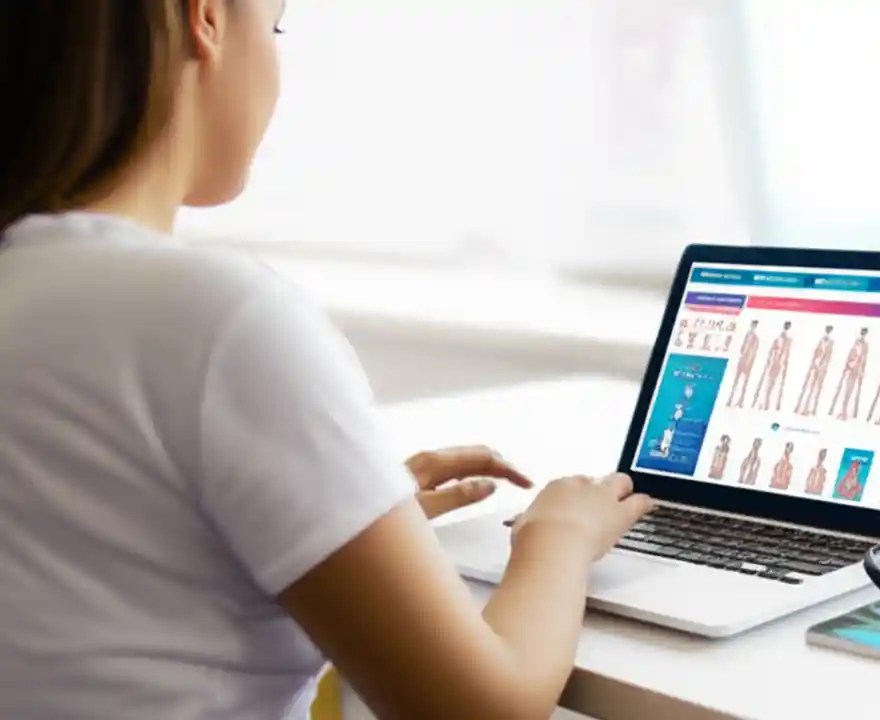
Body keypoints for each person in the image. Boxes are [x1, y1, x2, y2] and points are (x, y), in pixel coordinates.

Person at [0, 3, 653, 718]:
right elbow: (480, 710)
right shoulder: (215, 318)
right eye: (275, 26)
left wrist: (334, 516)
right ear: (205, 18)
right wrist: (559, 536)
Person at [829, 327, 870, 420]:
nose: (863, 335)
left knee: (851, 391)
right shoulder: (856, 344)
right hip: (850, 369)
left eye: (864, 333)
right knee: (845, 390)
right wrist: (849, 364)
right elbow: (851, 355)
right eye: (862, 333)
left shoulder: (865, 346)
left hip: (857, 370)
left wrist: (861, 370)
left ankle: (847, 412)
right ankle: (841, 411)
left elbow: (864, 359)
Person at [751, 320, 793, 411]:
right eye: (786, 326)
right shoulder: (777, 339)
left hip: (780, 364)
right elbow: (772, 351)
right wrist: (770, 360)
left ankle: (771, 405)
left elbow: (787, 354)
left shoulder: (789, 341)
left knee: (776, 384)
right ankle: (762, 404)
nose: (786, 328)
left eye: (788, 326)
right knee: (768, 383)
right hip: (774, 363)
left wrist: (784, 364)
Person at [794, 324, 834, 416]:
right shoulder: (820, 340)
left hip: (822, 367)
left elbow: (828, 356)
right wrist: (814, 362)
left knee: (816, 388)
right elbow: (815, 352)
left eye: (829, 330)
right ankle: (800, 407)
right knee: (808, 386)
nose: (828, 331)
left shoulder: (831, 342)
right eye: (827, 329)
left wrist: (823, 365)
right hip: (814, 365)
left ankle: (811, 409)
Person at [725, 319, 759, 407]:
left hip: (748, 362)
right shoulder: (747, 335)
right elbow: (742, 348)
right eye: (752, 325)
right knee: (736, 381)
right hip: (742, 360)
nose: (752, 327)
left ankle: (740, 401)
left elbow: (753, 352)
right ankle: (730, 399)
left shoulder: (755, 338)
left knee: (744, 382)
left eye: (754, 325)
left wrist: (749, 362)